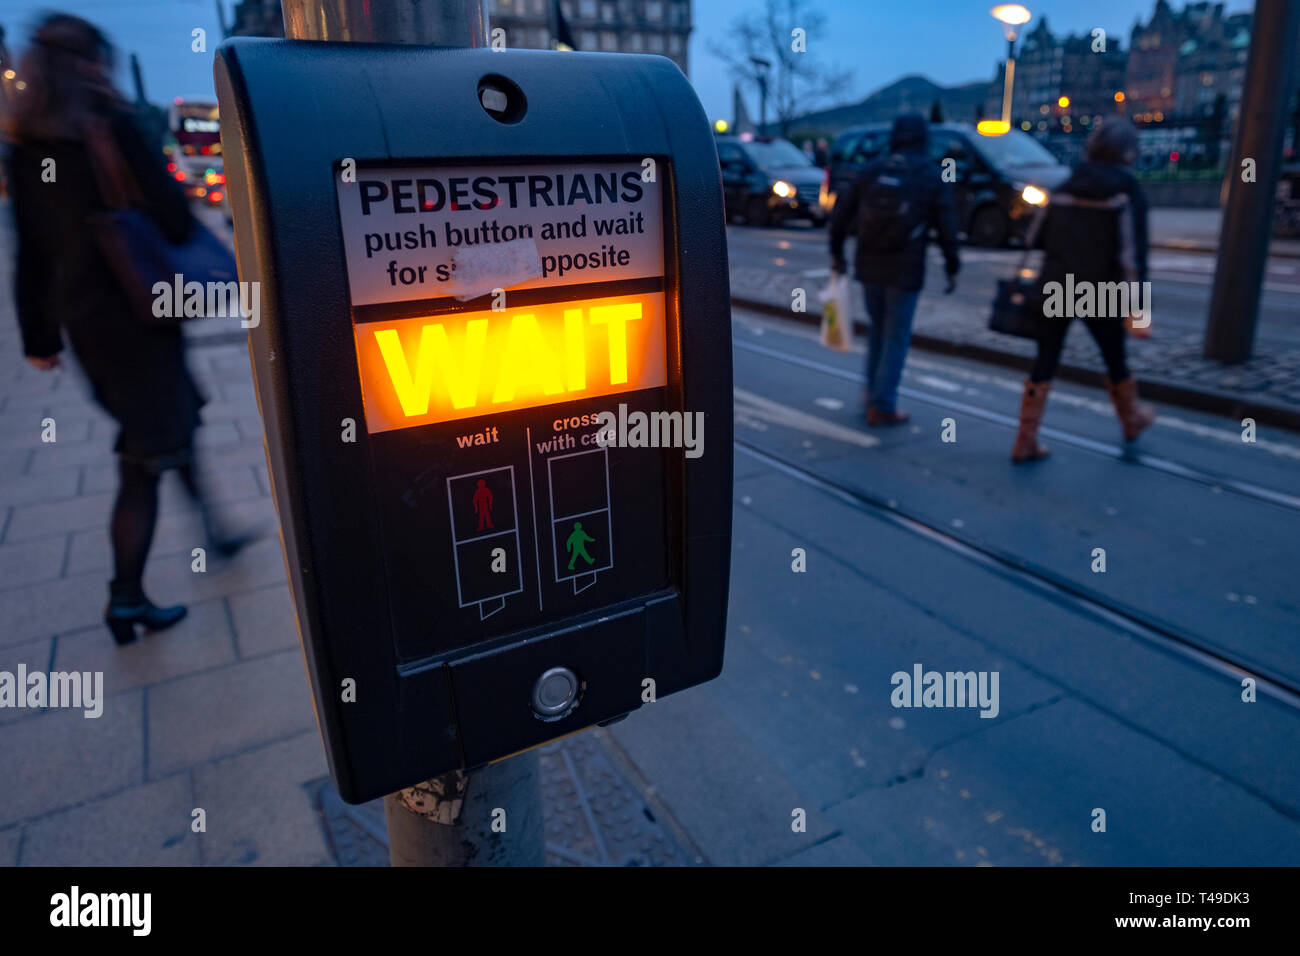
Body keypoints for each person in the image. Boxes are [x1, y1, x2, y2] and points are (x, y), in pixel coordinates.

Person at [5, 14, 245, 644]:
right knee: (144, 458)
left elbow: (32, 255)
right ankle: (126, 598)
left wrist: (39, 341)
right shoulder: (108, 130)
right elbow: (171, 220)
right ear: (88, 66)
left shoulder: (29, 149)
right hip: (142, 320)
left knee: (172, 425)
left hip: (91, 329)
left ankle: (215, 532)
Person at [1012, 117, 1155, 463]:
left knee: (1045, 358)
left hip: (1057, 284)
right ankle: (1130, 419)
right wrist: (1138, 308)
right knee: (1113, 358)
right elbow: (1132, 255)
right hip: (1101, 289)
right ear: (1127, 152)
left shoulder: (1065, 185)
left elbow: (1035, 238)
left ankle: (1025, 437)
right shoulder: (1126, 190)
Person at [830, 113, 960, 426]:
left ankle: (872, 393)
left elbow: (841, 214)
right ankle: (882, 404)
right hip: (905, 267)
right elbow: (946, 226)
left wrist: (837, 255)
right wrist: (952, 266)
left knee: (878, 330)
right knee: (896, 336)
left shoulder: (872, 170)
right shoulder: (929, 174)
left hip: (869, 265)